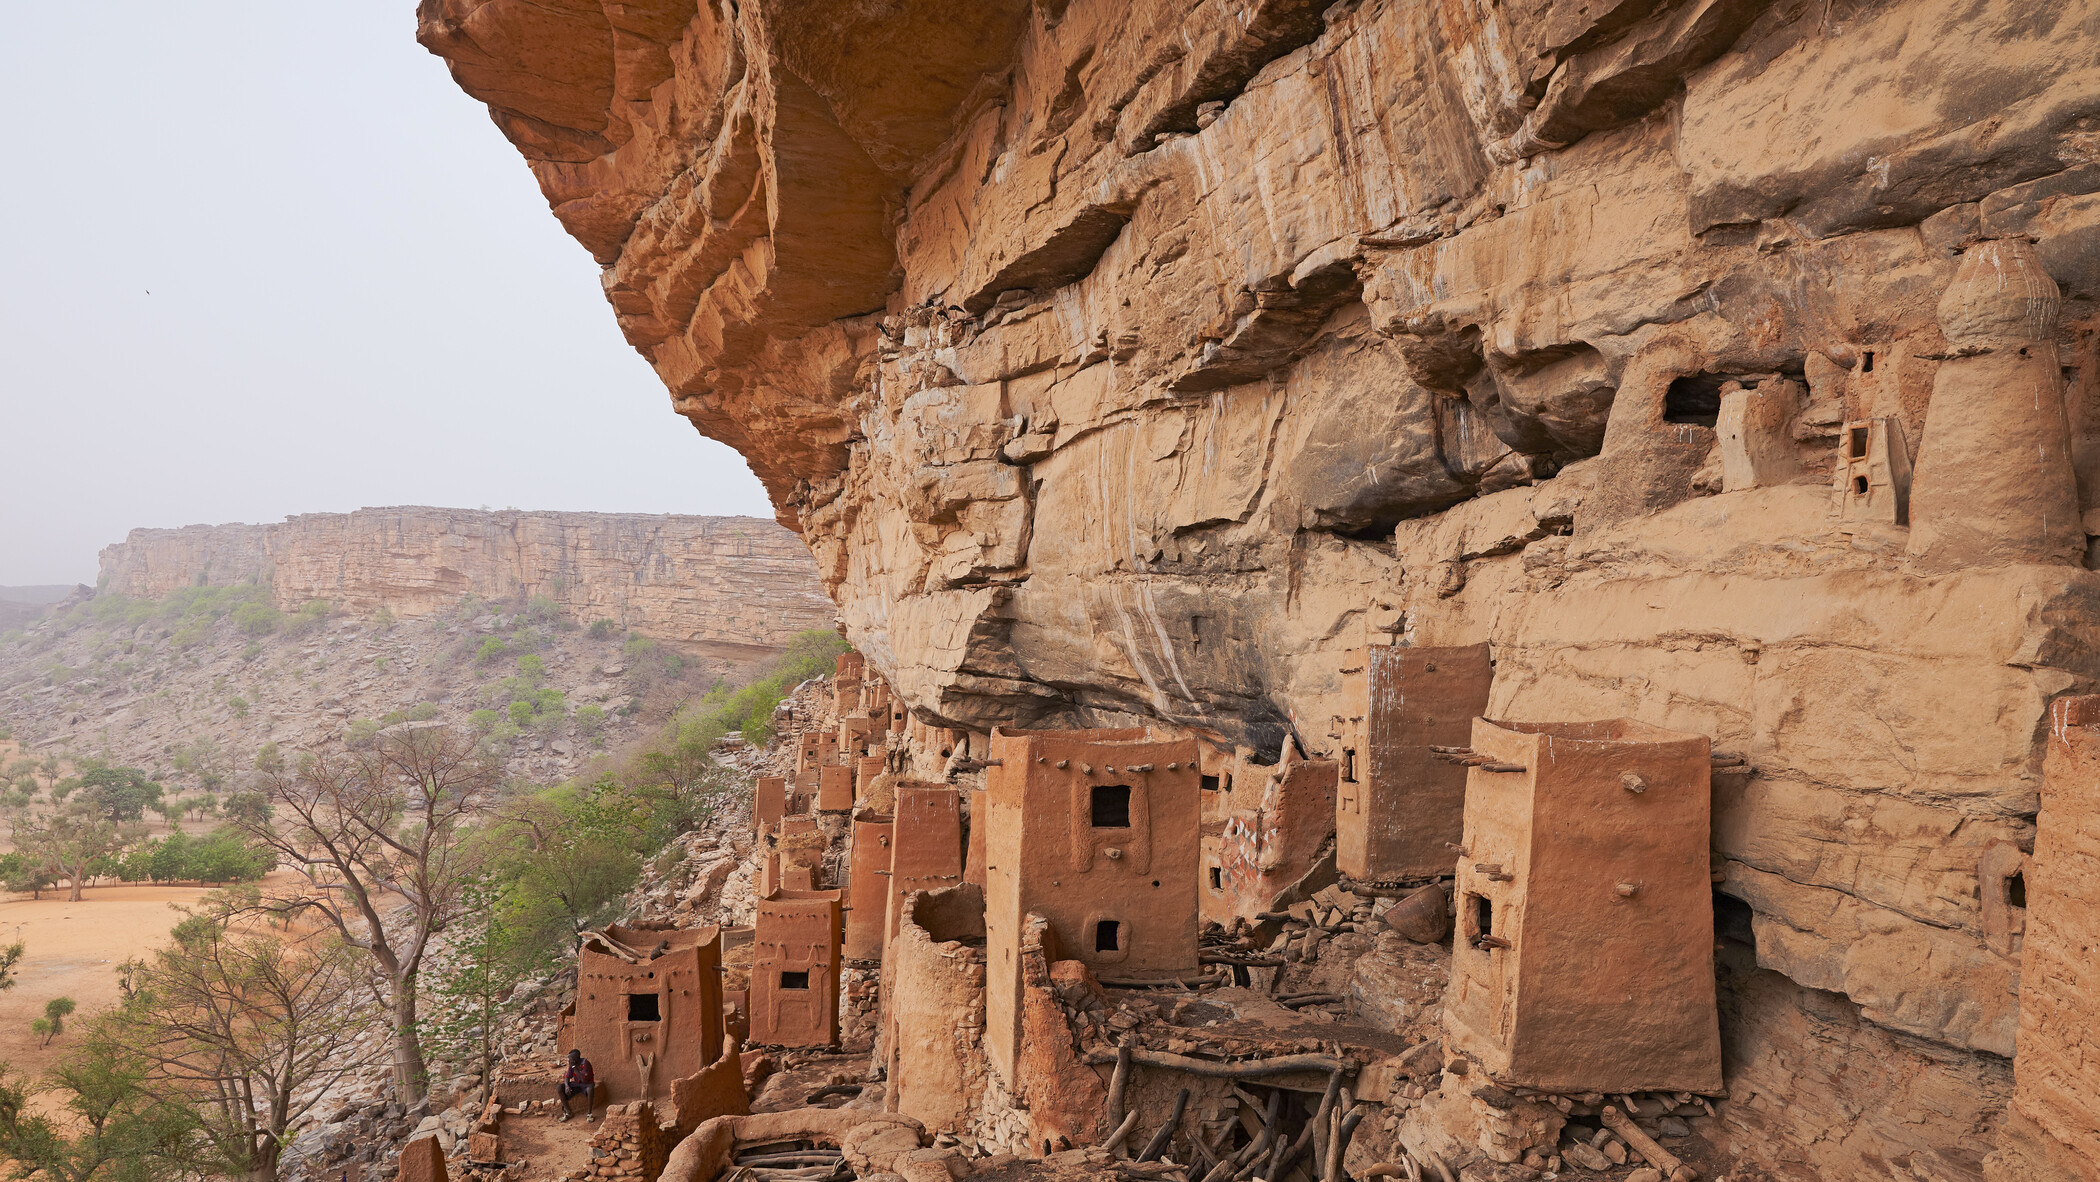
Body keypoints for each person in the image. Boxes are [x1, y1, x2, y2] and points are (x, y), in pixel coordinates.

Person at [557, 1049, 596, 1122]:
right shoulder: (572, 1065)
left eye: (570, 1059)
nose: (569, 1060)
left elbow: (583, 1080)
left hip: (586, 1084)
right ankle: (568, 1112)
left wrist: (574, 1067)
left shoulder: (585, 1064)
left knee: (590, 1089)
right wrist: (567, 1086)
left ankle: (589, 1113)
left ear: (575, 1059)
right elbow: (567, 1077)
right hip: (577, 1084)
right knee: (559, 1087)